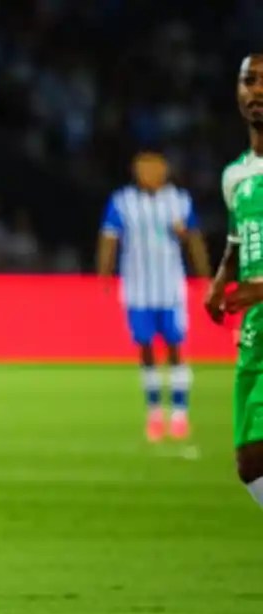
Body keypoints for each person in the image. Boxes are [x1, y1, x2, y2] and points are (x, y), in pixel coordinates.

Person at [97, 151, 211, 441]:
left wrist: (206, 274)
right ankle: (154, 413)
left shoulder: (179, 200)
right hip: (137, 290)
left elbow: (195, 238)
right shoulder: (123, 201)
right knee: (145, 348)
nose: (147, 174)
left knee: (175, 347)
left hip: (170, 289)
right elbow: (109, 238)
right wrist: (105, 272)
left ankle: (180, 414)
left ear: (163, 172)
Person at [206, 53, 263, 509]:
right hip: (254, 333)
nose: (257, 90)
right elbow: (236, 243)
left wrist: (255, 289)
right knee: (249, 462)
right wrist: (220, 280)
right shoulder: (237, 175)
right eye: (249, 80)